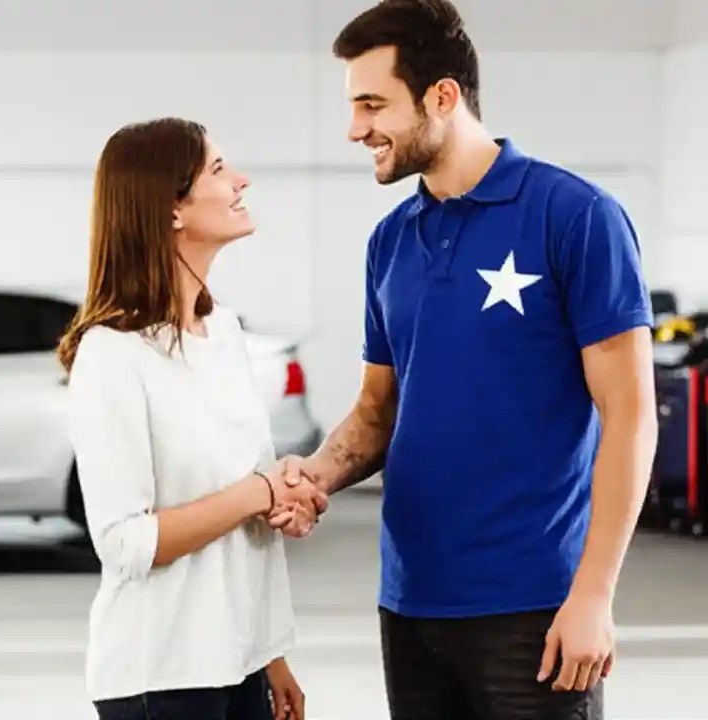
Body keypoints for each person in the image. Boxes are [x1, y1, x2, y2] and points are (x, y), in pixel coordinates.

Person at [268, 1, 659, 718]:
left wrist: (595, 594)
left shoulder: (573, 216)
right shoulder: (389, 243)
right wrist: (315, 475)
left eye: (373, 104)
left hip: (536, 610)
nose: (356, 129)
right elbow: (377, 413)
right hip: (411, 608)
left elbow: (631, 416)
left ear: (442, 96)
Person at [58, 117, 327, 720]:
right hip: (162, 676)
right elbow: (125, 542)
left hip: (241, 666)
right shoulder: (112, 354)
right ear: (171, 209)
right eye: (218, 169)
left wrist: (270, 657)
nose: (241, 181)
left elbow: (240, 497)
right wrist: (259, 491)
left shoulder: (223, 333)